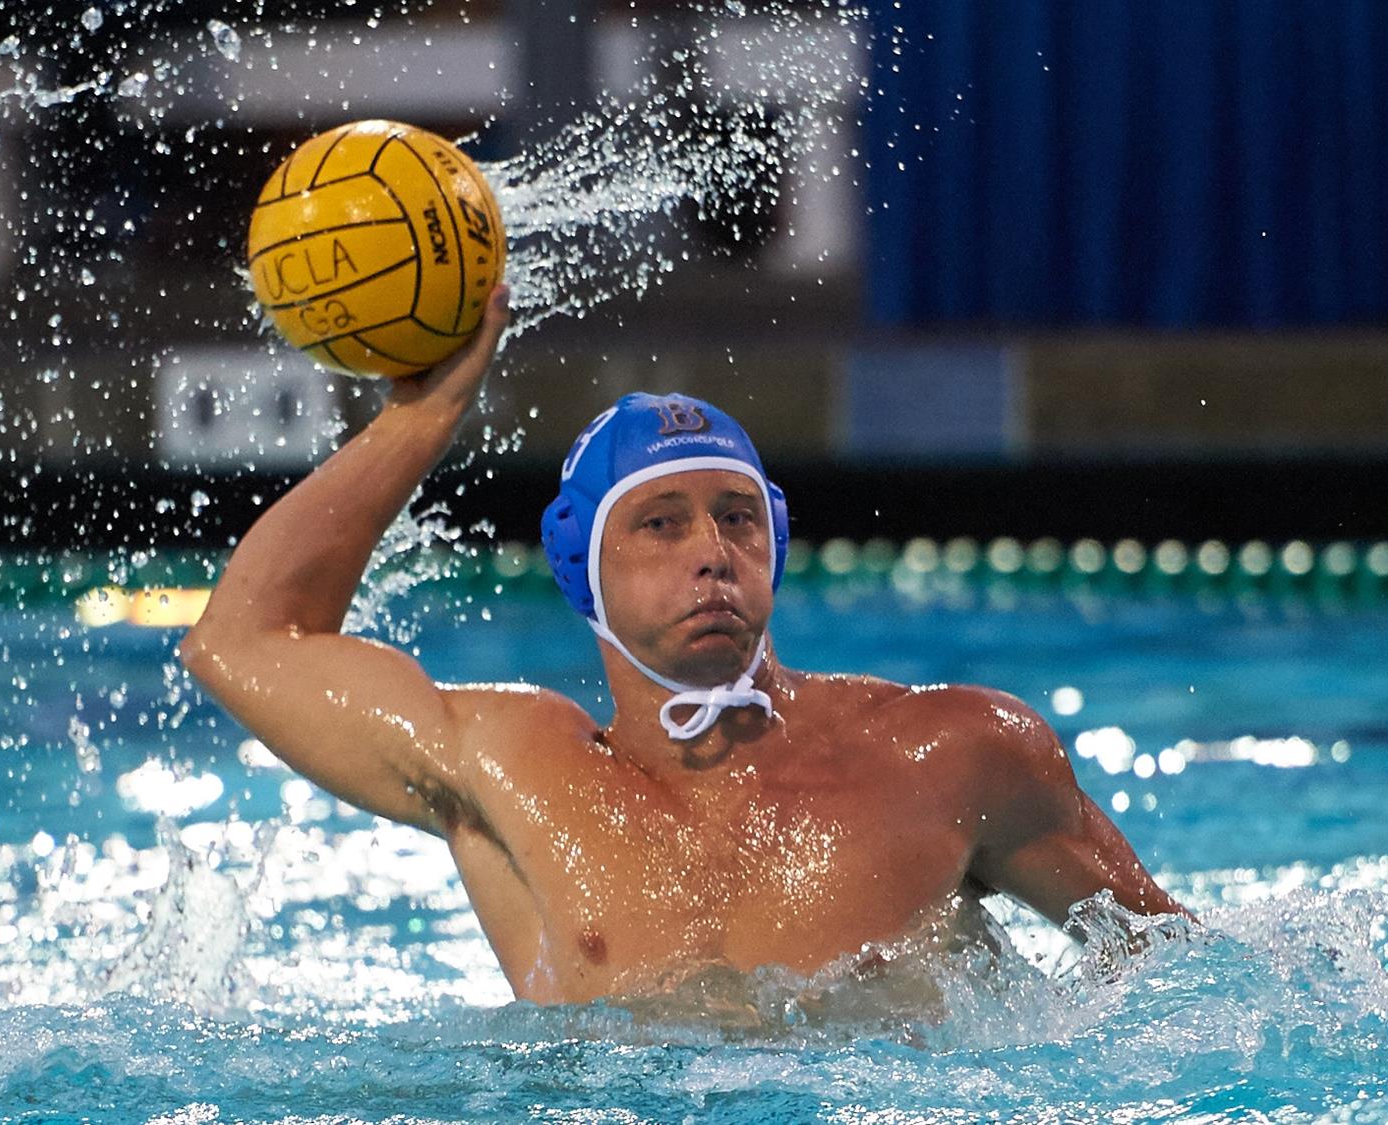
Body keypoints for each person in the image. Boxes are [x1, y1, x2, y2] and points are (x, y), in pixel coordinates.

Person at [179, 284, 1189, 1008]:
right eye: (659, 524)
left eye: (736, 518)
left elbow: (1184, 978)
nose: (711, 551)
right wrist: (425, 415)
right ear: (582, 567)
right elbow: (242, 641)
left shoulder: (953, 752)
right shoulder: (508, 766)